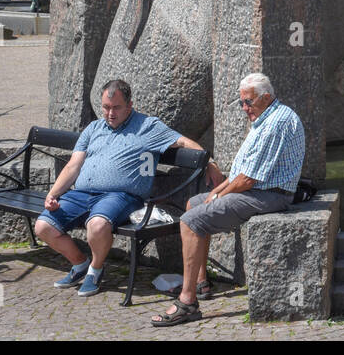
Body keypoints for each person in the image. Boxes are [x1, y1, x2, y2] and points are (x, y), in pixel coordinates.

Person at [151, 73, 305, 326]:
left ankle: (187, 302)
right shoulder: (265, 118)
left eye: (249, 102)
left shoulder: (277, 121)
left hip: (269, 195)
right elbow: (239, 174)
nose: (244, 108)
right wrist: (216, 192)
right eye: (242, 102)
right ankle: (201, 281)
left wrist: (219, 195)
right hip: (254, 190)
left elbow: (248, 181)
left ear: (266, 97)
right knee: (193, 204)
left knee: (190, 220)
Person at [35, 79, 208, 297]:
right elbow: (73, 165)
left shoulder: (148, 127)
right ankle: (80, 264)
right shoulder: (94, 128)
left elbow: (183, 142)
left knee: (97, 226)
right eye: (106, 107)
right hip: (82, 193)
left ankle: (96, 270)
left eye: (116, 107)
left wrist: (209, 163)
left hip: (121, 196)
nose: (110, 113)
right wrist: (53, 194)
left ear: (130, 105)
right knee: (43, 226)